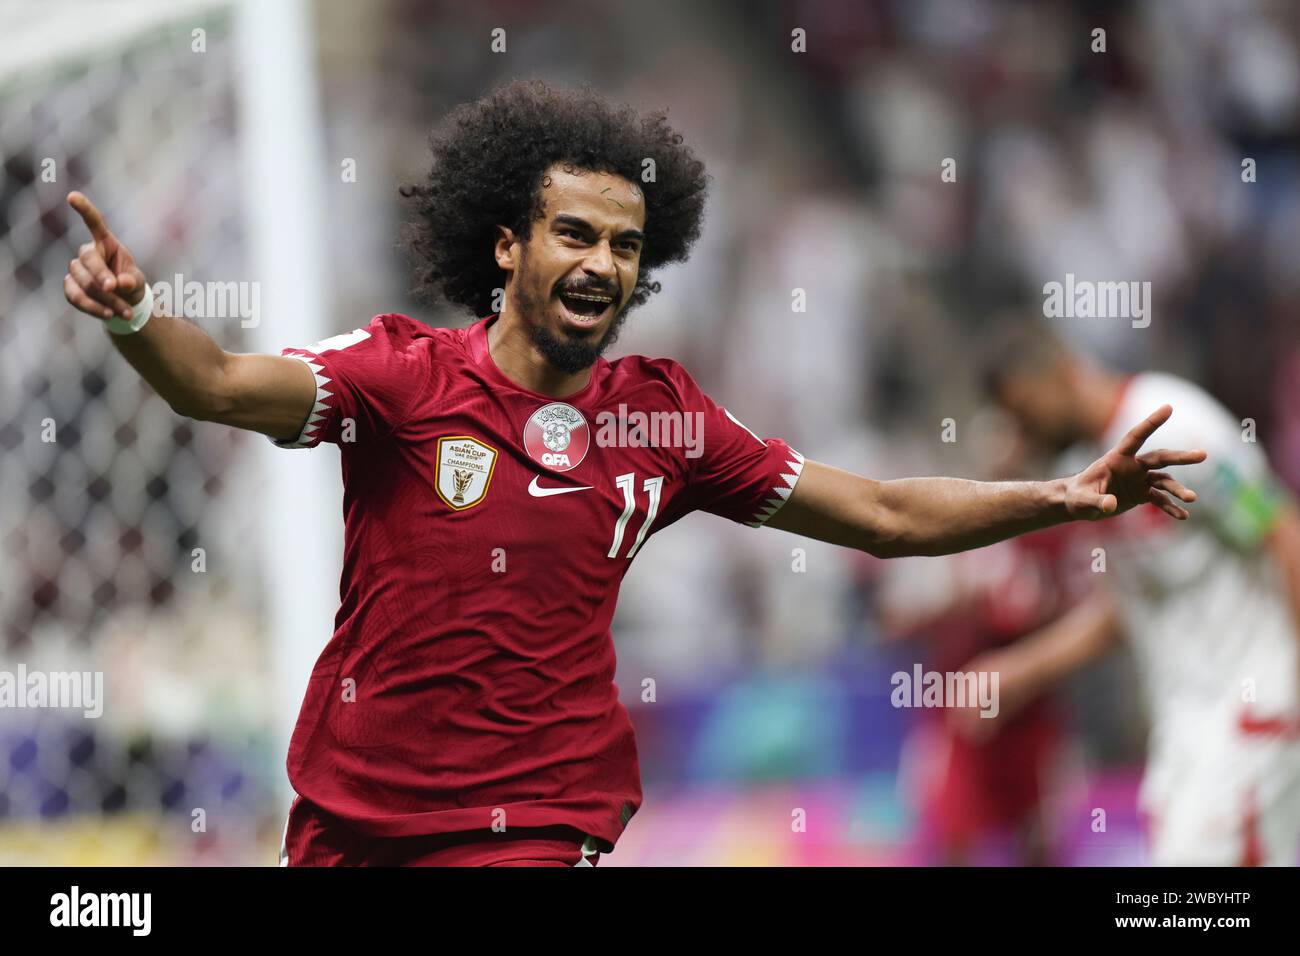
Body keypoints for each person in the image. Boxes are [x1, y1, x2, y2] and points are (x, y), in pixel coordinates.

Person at [61, 80, 1204, 867]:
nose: (602, 261)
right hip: (352, 809)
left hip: (537, 817)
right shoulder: (397, 376)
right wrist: (140, 313)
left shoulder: (662, 420)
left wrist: (1058, 497)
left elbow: (884, 512)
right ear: (507, 243)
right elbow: (210, 382)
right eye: (575, 233)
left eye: (624, 245)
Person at [977, 325, 1300, 865]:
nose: (1022, 435)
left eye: (1025, 415)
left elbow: (1280, 530)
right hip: (1184, 730)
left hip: (1252, 702)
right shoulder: (1078, 471)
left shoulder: (1175, 426)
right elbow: (1127, 604)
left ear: (1060, 374)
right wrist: (1025, 668)